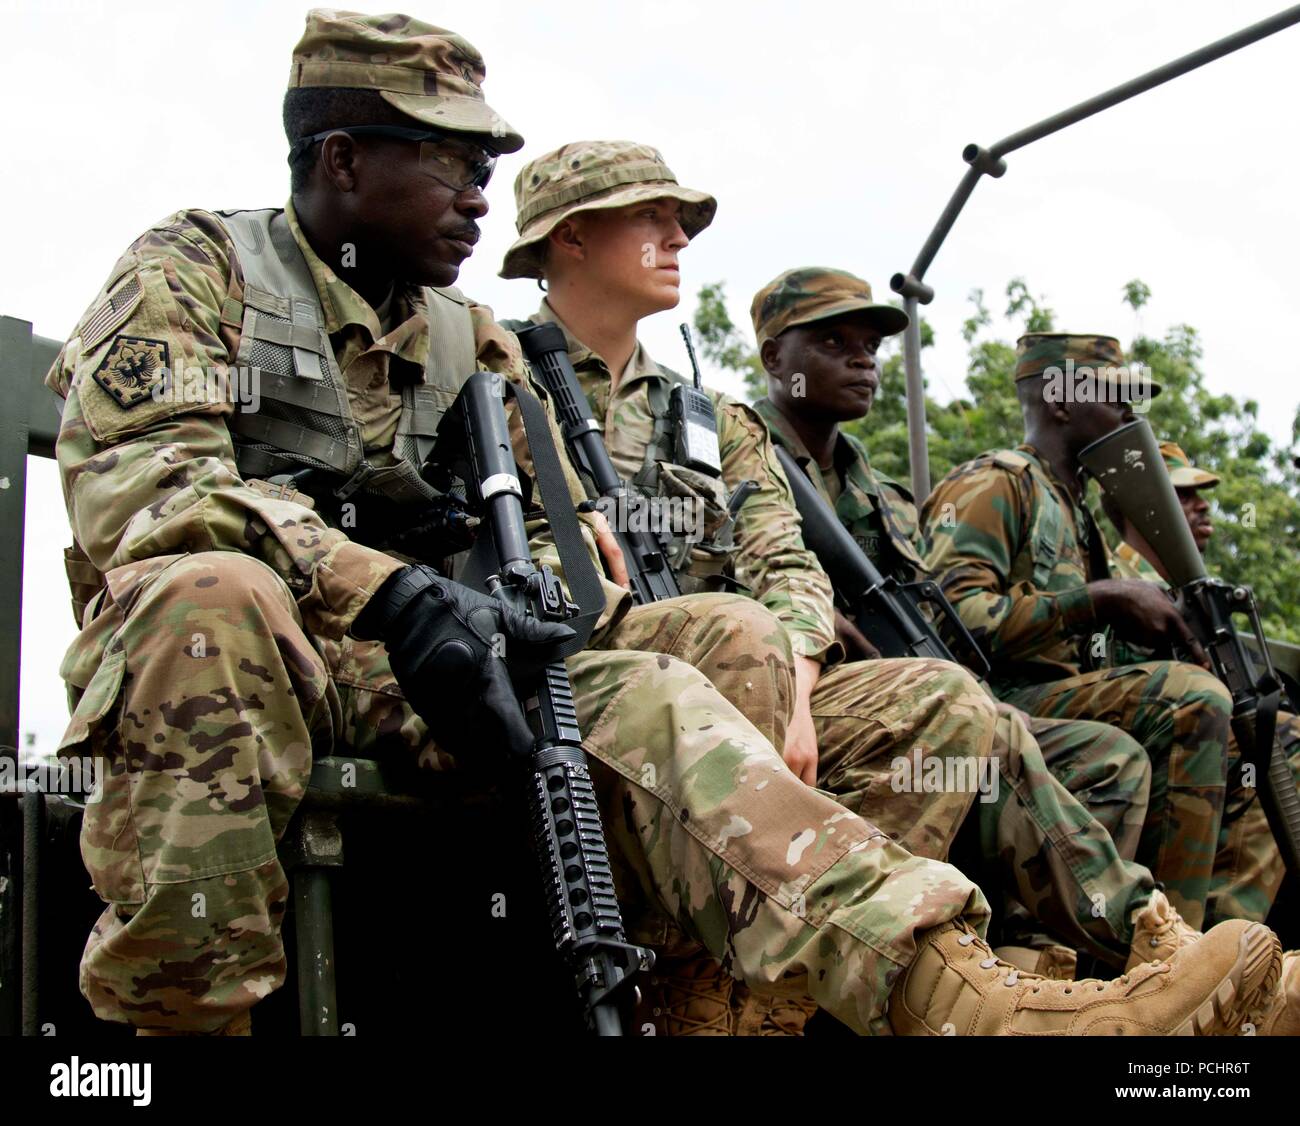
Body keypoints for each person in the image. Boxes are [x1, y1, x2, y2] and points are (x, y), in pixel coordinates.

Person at [44, 9, 1276, 1040]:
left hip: (419, 680)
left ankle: (941, 994)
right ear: (344, 158)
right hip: (238, 663)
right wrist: (386, 585)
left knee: (665, 670)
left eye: (486, 168)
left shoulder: (466, 339)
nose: (479, 196)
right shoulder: (195, 267)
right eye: (450, 161)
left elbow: (571, 550)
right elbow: (148, 493)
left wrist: (629, 613)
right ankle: (185, 1031)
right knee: (211, 593)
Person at [496, 141, 1284, 1034]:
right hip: (602, 697)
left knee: (946, 699)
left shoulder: (706, 416)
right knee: (732, 632)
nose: (679, 233)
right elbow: (508, 563)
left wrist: (797, 680)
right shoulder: (498, 375)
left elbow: (784, 564)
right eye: (652, 216)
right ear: (568, 237)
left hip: (758, 688)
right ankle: (734, 986)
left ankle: (1143, 947)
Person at [748, 266, 1164, 975]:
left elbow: (924, 609)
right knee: (988, 724)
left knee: (1105, 757)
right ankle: (1138, 944)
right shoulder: (741, 454)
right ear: (774, 360)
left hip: (913, 690)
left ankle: (1056, 958)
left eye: (872, 346)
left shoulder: (873, 492)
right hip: (797, 692)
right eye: (835, 341)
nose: (863, 359)